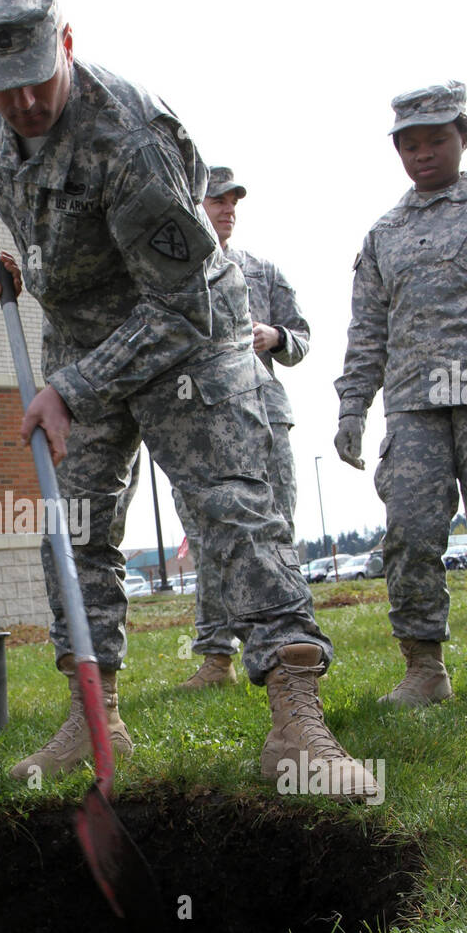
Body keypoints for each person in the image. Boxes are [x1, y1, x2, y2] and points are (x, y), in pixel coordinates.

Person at [0, 0, 378, 800]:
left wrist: (70, 388)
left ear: (66, 40)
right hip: (76, 330)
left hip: (188, 333)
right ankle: (91, 718)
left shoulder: (131, 134)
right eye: (6, 85)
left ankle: (298, 724)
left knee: (233, 510)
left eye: (39, 76)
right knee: (75, 523)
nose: (26, 102)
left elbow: (177, 305)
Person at [335, 80, 467, 707]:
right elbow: (367, 328)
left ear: (461, 138)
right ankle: (424, 670)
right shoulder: (384, 233)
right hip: (414, 408)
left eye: (436, 140)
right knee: (411, 534)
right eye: (409, 145)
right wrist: (351, 407)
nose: (422, 154)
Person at [176, 166, 311, 688]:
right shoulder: (174, 274)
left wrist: (276, 337)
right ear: (194, 205)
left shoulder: (264, 272)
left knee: (277, 528)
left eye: (233, 202)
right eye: (217, 201)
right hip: (198, 424)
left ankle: (293, 648)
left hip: (264, 417)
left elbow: (301, 337)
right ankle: (216, 659)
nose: (227, 209)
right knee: (207, 538)